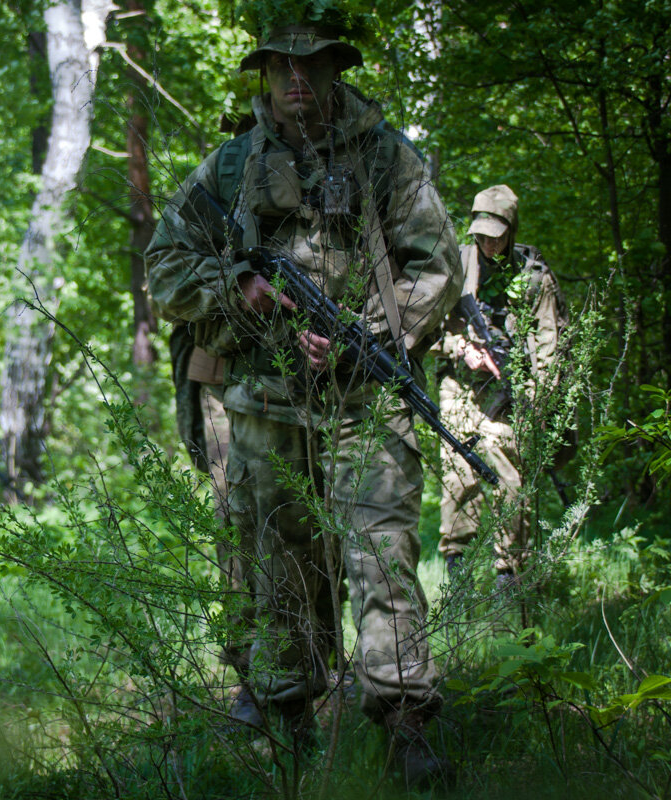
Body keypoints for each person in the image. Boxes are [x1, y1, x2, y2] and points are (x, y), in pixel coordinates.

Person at [145, 14, 461, 788]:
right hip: (266, 404)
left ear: (334, 70)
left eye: (312, 65)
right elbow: (164, 265)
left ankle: (402, 720)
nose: (296, 80)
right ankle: (288, 724)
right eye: (281, 65)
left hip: (366, 401)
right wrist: (239, 288)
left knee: (384, 557)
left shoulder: (387, 158)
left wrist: (368, 335)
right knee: (281, 571)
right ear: (264, 72)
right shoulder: (228, 168)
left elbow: (439, 265)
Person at [436, 185, 567, 584]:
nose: (489, 244)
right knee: (458, 476)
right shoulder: (455, 265)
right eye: (482, 235)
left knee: (510, 479)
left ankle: (508, 577)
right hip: (460, 385)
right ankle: (455, 576)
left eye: (497, 235)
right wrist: (460, 347)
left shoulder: (533, 279)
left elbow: (549, 345)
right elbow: (421, 328)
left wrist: (538, 401)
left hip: (512, 388)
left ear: (511, 230)